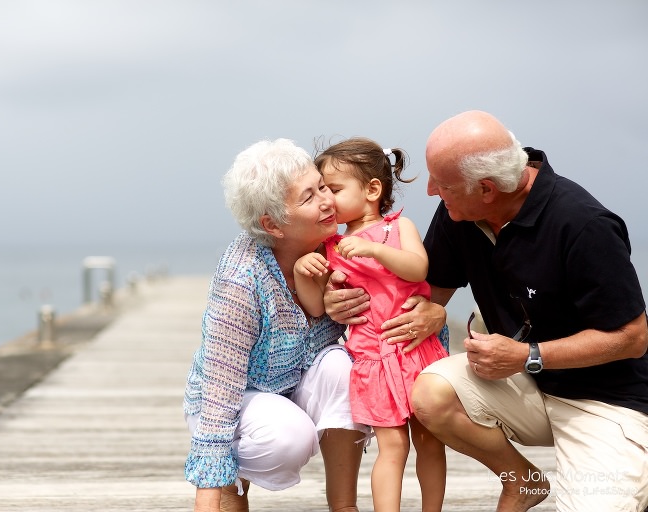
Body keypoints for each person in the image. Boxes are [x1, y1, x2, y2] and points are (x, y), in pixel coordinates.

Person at [327, 110, 648, 511]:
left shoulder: (584, 225)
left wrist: (528, 356)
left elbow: (633, 338)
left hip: (603, 400)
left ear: (488, 189)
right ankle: (524, 481)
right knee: (429, 395)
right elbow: (428, 293)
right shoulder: (460, 210)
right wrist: (351, 302)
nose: (429, 191)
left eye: (440, 183)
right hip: (523, 383)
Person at [183, 138, 370, 512]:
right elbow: (221, 383)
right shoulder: (243, 276)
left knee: (342, 369)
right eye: (308, 197)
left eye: (323, 187)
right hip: (237, 398)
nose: (327, 201)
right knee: (288, 438)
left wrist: (430, 314)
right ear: (272, 224)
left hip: (300, 382)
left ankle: (345, 505)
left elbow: (393, 300)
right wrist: (208, 489)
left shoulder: (338, 247)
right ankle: (231, 491)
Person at [293, 137, 448, 512]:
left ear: (372, 190)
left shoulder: (398, 228)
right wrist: (303, 273)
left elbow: (418, 268)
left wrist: (376, 249)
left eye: (334, 189)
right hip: (373, 359)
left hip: (415, 350)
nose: (326, 199)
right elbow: (318, 307)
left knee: (429, 440)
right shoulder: (329, 247)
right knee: (392, 445)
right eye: (321, 191)